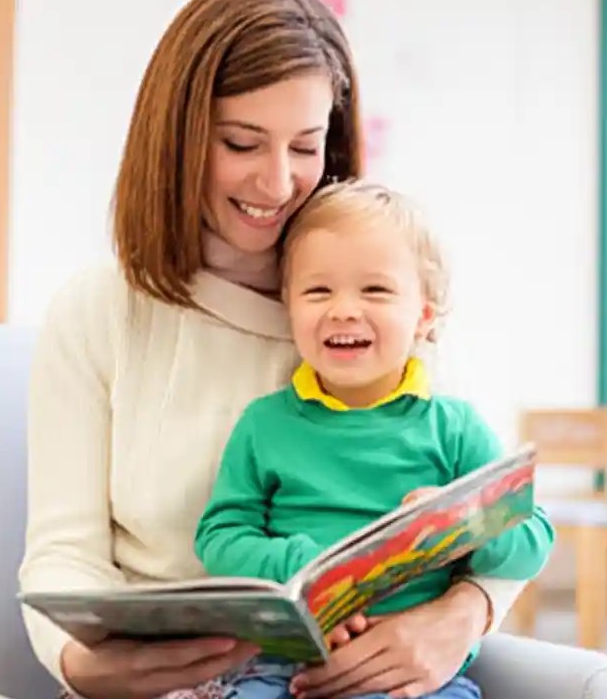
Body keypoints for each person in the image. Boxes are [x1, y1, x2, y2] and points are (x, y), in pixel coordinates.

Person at [17, 0, 531, 698]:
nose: (278, 180)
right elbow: (62, 554)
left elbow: (497, 512)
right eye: (240, 142)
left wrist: (461, 617)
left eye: (307, 145)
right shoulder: (98, 311)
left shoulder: (382, 309)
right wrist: (86, 666)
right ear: (180, 137)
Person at [194, 181, 555, 699]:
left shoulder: (452, 427)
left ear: (424, 317)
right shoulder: (264, 424)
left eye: (376, 291)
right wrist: (302, 567)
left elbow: (533, 537)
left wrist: (466, 522)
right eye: (318, 291)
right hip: (279, 667)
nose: (343, 309)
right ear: (288, 307)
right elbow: (220, 536)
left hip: (410, 682)